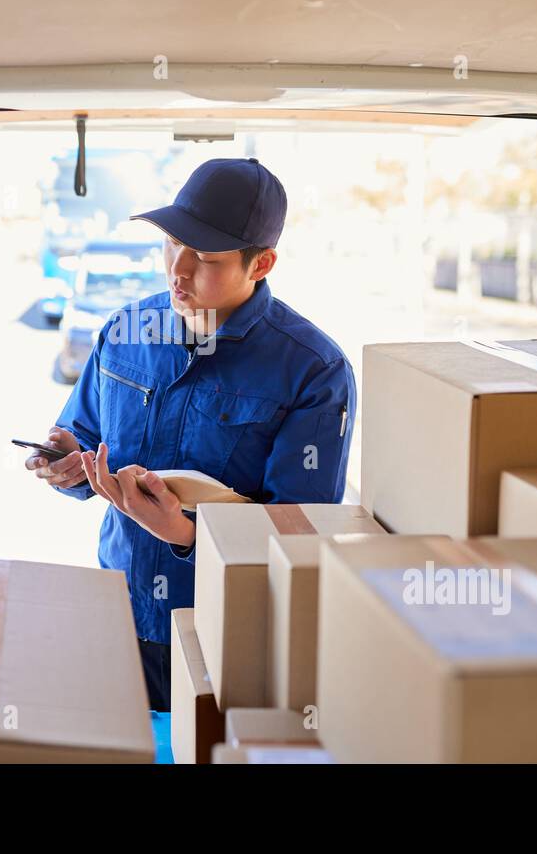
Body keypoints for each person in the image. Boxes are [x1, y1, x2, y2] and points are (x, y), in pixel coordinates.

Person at [25, 158, 355, 711]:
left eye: (204, 257)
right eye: (173, 244)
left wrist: (186, 536)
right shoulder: (123, 333)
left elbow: (300, 535)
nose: (178, 271)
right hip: (120, 611)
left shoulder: (313, 371)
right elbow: (81, 440)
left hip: (225, 628)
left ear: (262, 263)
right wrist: (63, 463)